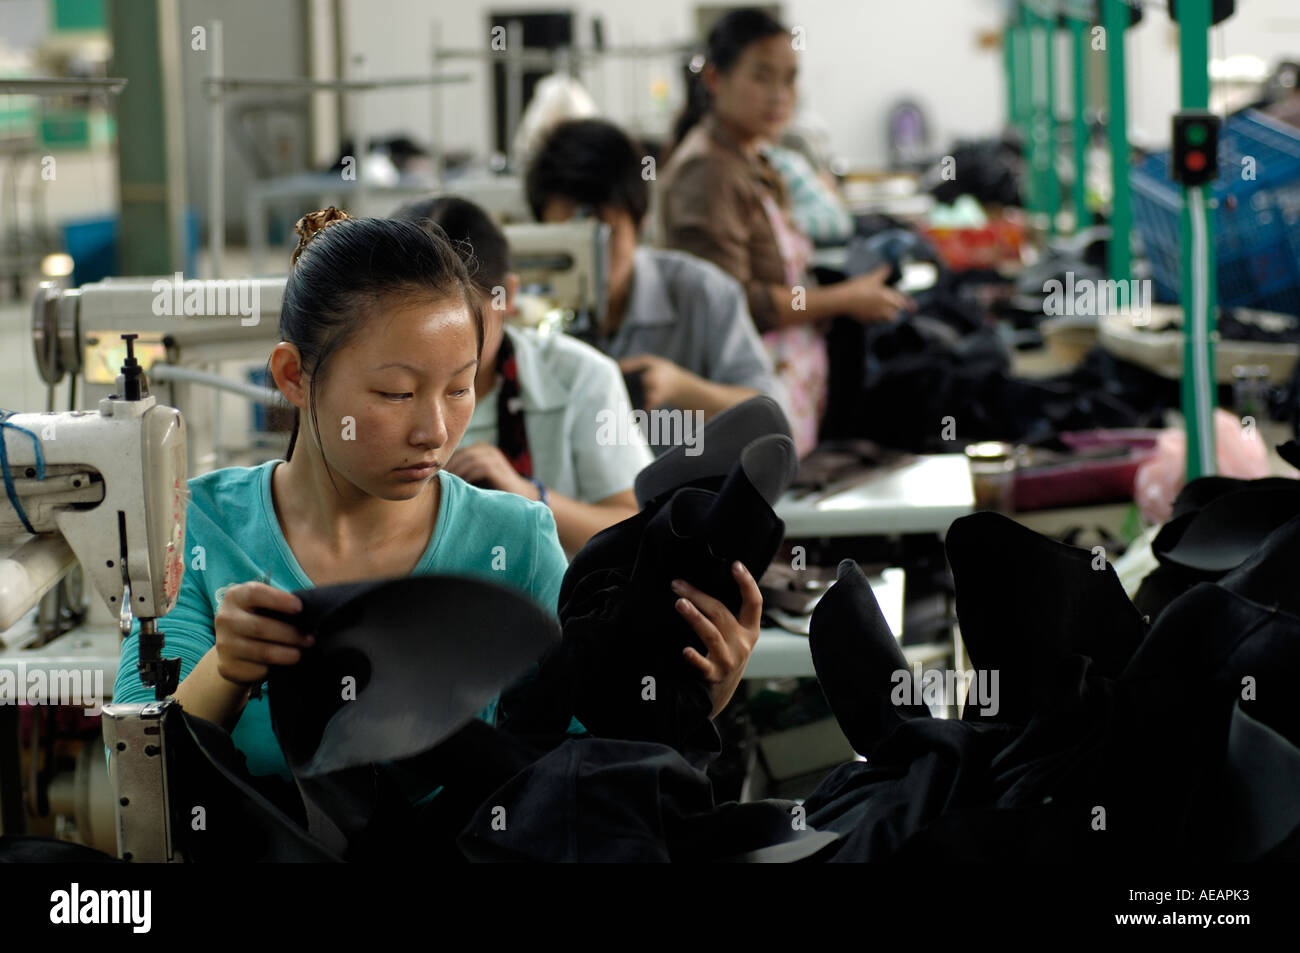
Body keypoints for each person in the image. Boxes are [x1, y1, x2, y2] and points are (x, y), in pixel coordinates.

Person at [112, 209, 761, 792]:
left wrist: (701, 693)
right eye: (396, 394)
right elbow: (140, 784)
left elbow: (585, 760)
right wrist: (227, 669)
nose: (436, 431)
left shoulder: (514, 541)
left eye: (459, 388)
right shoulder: (195, 529)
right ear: (293, 376)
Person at [659, 7, 915, 455]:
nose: (780, 95)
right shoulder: (707, 172)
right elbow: (734, 304)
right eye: (762, 77)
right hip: (742, 394)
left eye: (790, 79)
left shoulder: (751, 158)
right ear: (716, 80)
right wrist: (848, 298)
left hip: (786, 385)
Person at [392, 195, 650, 554]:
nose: (435, 349)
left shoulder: (581, 377)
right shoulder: (368, 392)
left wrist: (528, 496)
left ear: (507, 295)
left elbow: (637, 530)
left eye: (459, 325)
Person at [523, 117, 791, 454]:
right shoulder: (525, 311)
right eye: (568, 241)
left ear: (641, 223)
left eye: (604, 235)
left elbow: (772, 416)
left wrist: (680, 388)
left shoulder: (702, 292)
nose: (592, 259)